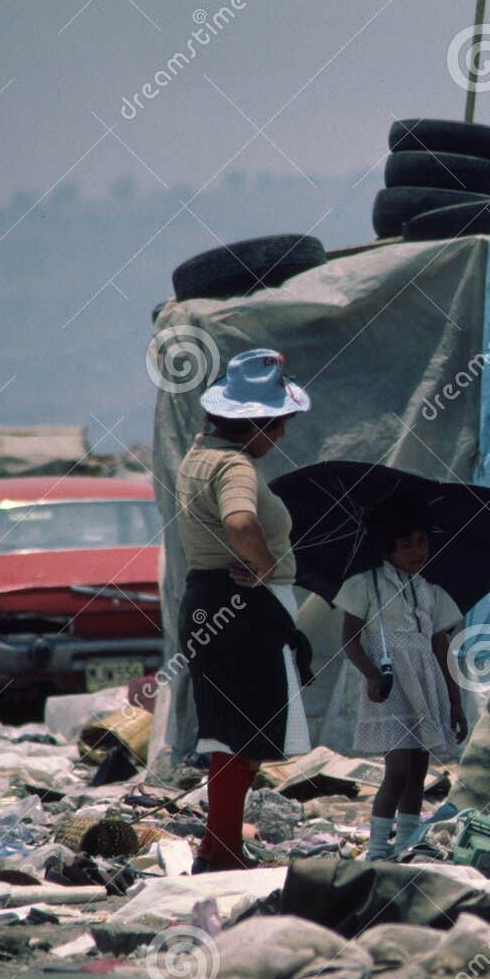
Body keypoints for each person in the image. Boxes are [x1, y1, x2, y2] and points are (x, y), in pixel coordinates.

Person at [174, 348, 313, 873]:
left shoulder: (197, 456)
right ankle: (224, 847)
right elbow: (238, 524)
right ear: (252, 423)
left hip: (209, 600)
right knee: (240, 733)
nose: (280, 435)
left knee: (231, 730)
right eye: (276, 424)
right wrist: (266, 563)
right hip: (239, 605)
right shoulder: (234, 465)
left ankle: (219, 841)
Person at [335, 497, 466, 860]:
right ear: (387, 547)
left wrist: (455, 702)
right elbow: (349, 639)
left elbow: (442, 648)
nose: (417, 551)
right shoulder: (367, 585)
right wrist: (371, 674)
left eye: (422, 541)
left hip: (427, 685)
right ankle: (378, 848)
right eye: (406, 544)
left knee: (419, 770)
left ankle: (408, 843)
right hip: (390, 685)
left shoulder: (432, 590)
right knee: (397, 770)